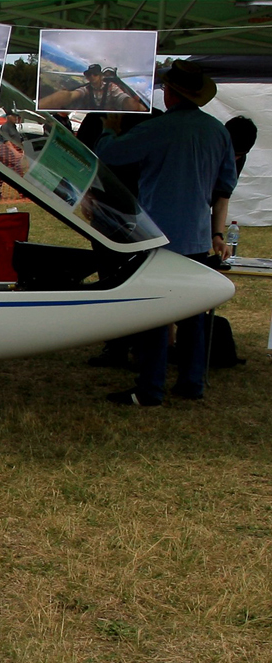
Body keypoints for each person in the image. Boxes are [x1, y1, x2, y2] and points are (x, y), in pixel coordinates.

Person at [95, 61, 238, 405]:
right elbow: (225, 186)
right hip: (197, 237)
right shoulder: (217, 131)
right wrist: (217, 233)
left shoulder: (159, 127)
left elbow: (111, 155)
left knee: (155, 312)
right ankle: (191, 383)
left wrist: (110, 128)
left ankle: (150, 389)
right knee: (192, 314)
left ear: (169, 93)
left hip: (158, 235)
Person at [40, 64, 148, 113]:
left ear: (101, 76)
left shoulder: (112, 88)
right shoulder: (86, 89)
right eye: (89, 74)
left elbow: (123, 99)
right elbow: (72, 95)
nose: (91, 77)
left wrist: (136, 106)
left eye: (95, 74)